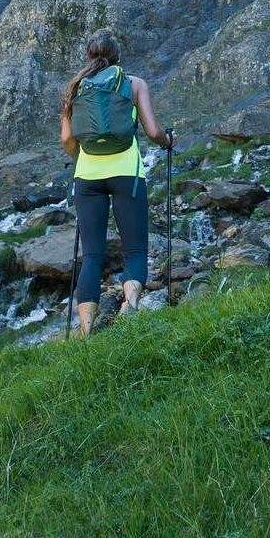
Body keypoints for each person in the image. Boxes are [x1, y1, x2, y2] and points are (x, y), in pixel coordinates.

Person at [59, 29, 173, 337]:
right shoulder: (135, 84)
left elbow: (67, 138)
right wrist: (168, 141)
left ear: (89, 55)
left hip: (87, 177)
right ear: (118, 56)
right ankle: (130, 306)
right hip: (127, 174)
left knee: (92, 256)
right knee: (134, 249)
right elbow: (152, 131)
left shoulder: (73, 88)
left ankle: (85, 329)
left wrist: (80, 155)